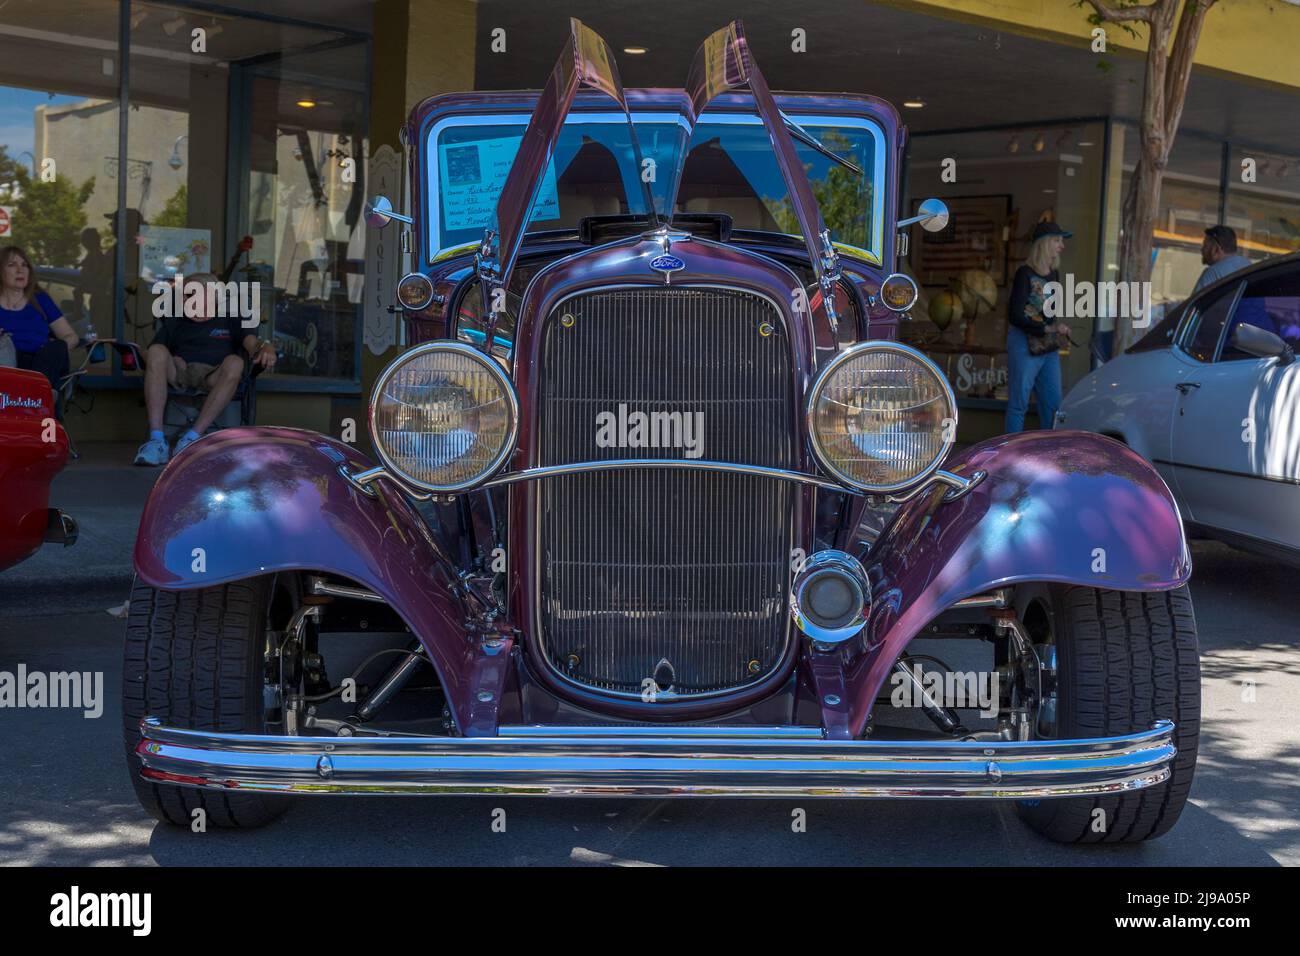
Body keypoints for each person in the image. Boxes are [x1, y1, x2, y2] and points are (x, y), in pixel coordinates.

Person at [134, 272, 276, 466]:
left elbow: (253, 344)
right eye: (185, 294)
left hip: (213, 375)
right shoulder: (176, 321)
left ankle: (191, 439)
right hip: (179, 373)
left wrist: (265, 347)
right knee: (157, 351)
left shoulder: (230, 318)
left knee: (236, 362)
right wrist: (171, 359)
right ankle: (156, 441)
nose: (185, 299)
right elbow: (150, 354)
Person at [1005, 221, 1072, 433]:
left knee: (1053, 405)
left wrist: (1057, 327)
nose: (1061, 245)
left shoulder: (1054, 274)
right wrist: (1047, 329)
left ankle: (1049, 455)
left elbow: (1048, 315)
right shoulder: (1024, 273)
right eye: (1056, 240)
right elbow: (1014, 315)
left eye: (1061, 241)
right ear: (1043, 244)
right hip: (1023, 342)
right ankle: (1010, 454)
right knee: (1019, 404)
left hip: (1047, 346)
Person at [0, 245, 79, 391]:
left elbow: (71, 337)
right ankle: (39, 397)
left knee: (55, 348)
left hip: (41, 363)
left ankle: (38, 394)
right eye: (12, 265)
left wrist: (51, 351)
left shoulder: (41, 300)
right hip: (5, 366)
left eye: (24, 265)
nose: (20, 270)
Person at [1192, 225, 1252, 294]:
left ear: (1216, 249)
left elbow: (1195, 304)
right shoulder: (1248, 264)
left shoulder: (1212, 273)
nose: (1202, 249)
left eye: (1205, 245)